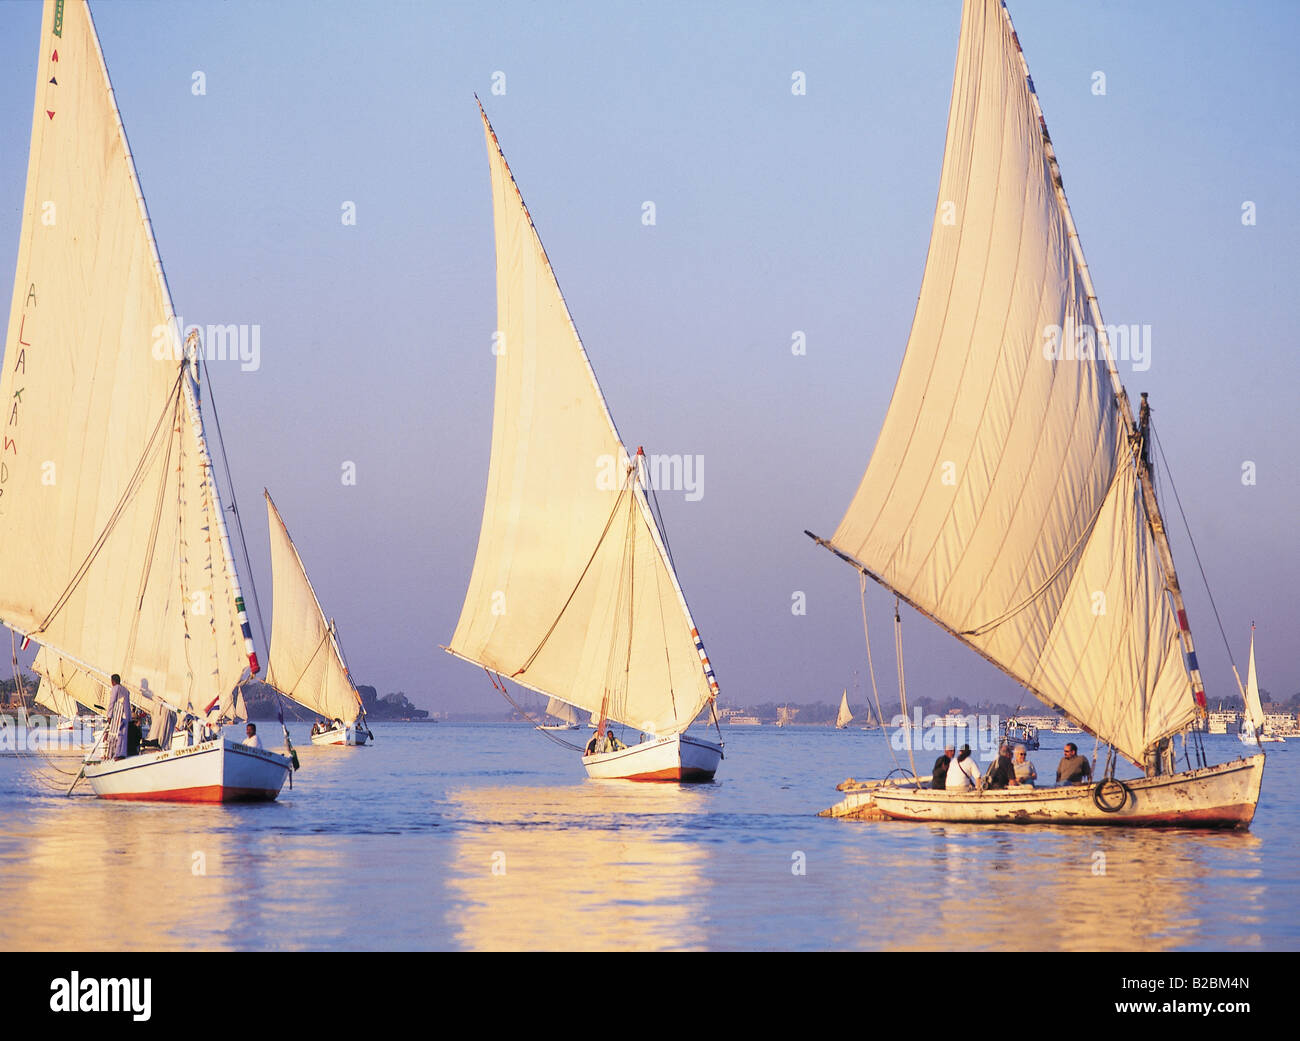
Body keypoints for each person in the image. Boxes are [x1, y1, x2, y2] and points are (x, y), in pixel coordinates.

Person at [105, 674, 131, 760]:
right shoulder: (126, 690)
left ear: (113, 681)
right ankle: (122, 754)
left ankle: (116, 754)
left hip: (119, 714)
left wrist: (109, 715)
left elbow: (112, 702)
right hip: (126, 715)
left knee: (117, 734)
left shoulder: (115, 688)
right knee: (123, 735)